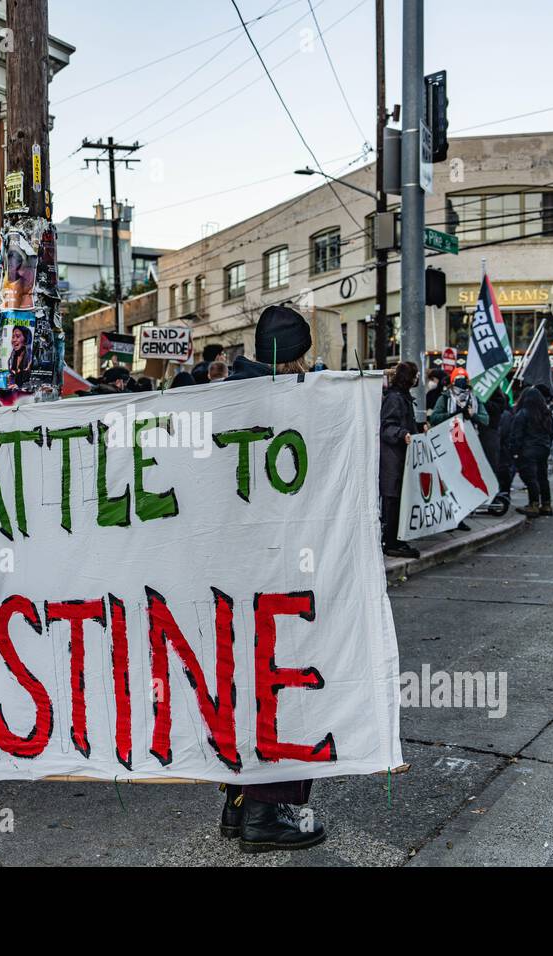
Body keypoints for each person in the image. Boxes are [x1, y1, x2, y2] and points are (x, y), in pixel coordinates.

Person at [216, 305, 326, 853]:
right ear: (293, 357)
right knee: (282, 687)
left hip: (233, 573)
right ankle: (267, 811)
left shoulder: (223, 399)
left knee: (244, 686)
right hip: (276, 569)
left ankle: (239, 805)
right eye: (302, 357)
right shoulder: (283, 403)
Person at [429, 369, 489, 532]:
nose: (461, 384)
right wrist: (454, 415)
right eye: (458, 380)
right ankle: (448, 517)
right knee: (448, 482)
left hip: (468, 446)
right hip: (449, 444)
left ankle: (460, 517)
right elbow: (434, 418)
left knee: (464, 481)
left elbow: (485, 420)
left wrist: (472, 416)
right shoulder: (445, 398)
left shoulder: (475, 399)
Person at [380, 361, 422, 559]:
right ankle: (391, 542)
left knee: (397, 502)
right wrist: (402, 433)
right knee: (392, 502)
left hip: (399, 459)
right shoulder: (395, 398)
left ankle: (395, 540)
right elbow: (386, 427)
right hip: (393, 461)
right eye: (414, 375)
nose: (417, 380)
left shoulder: (401, 397)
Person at [508, 385, 553, 517]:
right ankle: (546, 504)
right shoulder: (546, 414)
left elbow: (516, 435)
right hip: (543, 448)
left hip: (527, 450)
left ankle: (533, 504)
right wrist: (546, 445)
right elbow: (552, 433)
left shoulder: (522, 414)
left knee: (530, 478)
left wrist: (514, 452)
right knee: (542, 477)